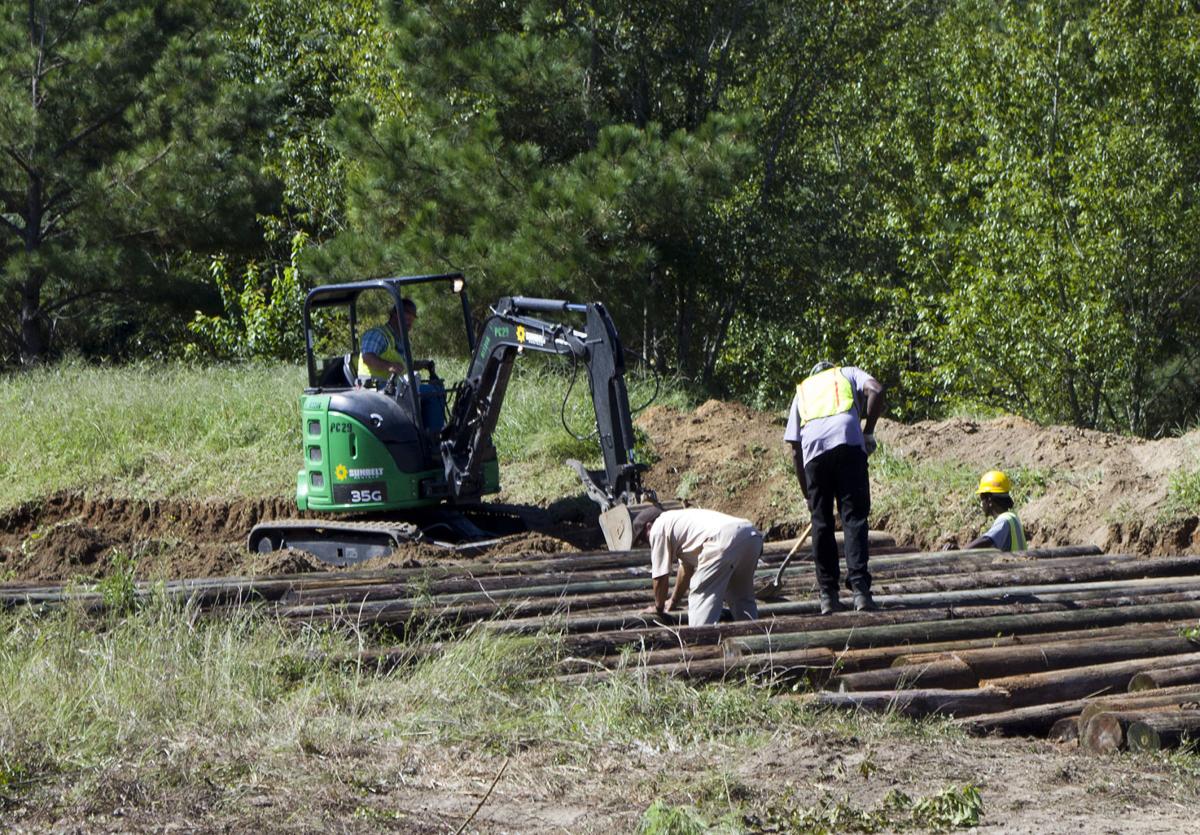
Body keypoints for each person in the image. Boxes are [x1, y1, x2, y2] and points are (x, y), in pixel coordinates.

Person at [783, 361, 885, 614]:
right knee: (854, 519)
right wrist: (868, 432)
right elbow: (877, 390)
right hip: (848, 442)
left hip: (814, 455)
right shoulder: (846, 373)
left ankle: (828, 595)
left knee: (822, 524)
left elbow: (795, 448)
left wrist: (809, 493)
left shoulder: (803, 390)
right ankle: (861, 592)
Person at [631, 506, 763, 626]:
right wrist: (673, 600)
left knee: (701, 596)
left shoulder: (658, 528)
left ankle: (700, 642)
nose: (648, 544)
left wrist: (658, 607)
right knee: (741, 596)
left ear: (648, 527)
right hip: (751, 536)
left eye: (643, 539)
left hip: (722, 540)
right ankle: (754, 641)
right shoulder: (680, 522)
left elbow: (660, 577)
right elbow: (686, 571)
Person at [963, 470, 1027, 551]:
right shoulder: (1012, 517)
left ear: (989, 500)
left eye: (982, 499)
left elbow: (986, 540)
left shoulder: (1004, 520)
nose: (981, 504)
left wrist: (961, 551)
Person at [357, 298, 418, 381]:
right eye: (407, 319)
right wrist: (389, 366)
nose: (409, 323)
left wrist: (421, 365)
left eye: (411, 320)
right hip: (371, 388)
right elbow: (367, 357)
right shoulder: (378, 335)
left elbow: (402, 366)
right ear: (395, 314)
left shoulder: (401, 340)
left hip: (392, 388)